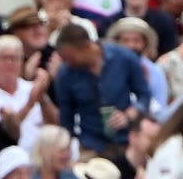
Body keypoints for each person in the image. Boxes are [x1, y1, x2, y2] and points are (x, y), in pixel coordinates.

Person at [53, 23, 151, 155]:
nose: (68, 63)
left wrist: (129, 114)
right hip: (90, 143)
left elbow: (145, 95)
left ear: (87, 46)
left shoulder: (124, 57)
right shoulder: (65, 73)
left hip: (125, 140)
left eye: (71, 58)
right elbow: (66, 116)